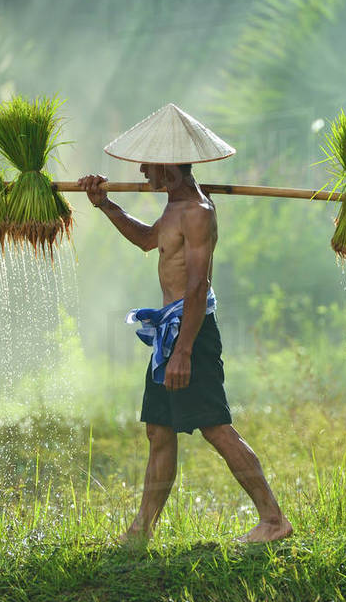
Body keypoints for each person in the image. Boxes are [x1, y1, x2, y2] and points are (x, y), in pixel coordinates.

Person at [77, 103, 292, 544]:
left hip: (189, 333)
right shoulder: (175, 206)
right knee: (159, 430)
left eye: (148, 163)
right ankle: (141, 531)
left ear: (169, 167)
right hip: (170, 333)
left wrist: (184, 352)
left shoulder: (196, 211)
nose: (140, 170)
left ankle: (273, 520)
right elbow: (147, 240)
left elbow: (196, 287)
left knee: (215, 427)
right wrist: (105, 205)